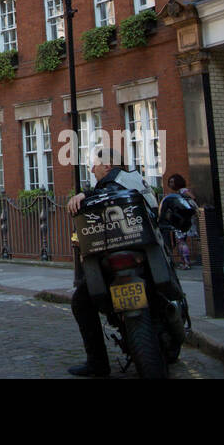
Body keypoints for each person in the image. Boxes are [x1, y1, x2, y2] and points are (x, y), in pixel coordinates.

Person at [64, 151, 158, 378]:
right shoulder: (135, 179)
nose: (91, 170)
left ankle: (98, 363)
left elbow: (105, 195)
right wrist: (85, 193)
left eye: (93, 165)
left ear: (106, 165)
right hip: (146, 257)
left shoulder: (110, 186)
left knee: (81, 301)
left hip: (118, 257)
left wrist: (84, 197)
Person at [161, 174, 198, 268]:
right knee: (181, 241)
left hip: (184, 218)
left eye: (172, 182)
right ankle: (184, 262)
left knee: (181, 240)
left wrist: (181, 197)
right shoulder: (179, 192)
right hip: (185, 218)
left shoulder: (183, 191)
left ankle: (186, 262)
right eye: (170, 182)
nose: (170, 184)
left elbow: (192, 197)